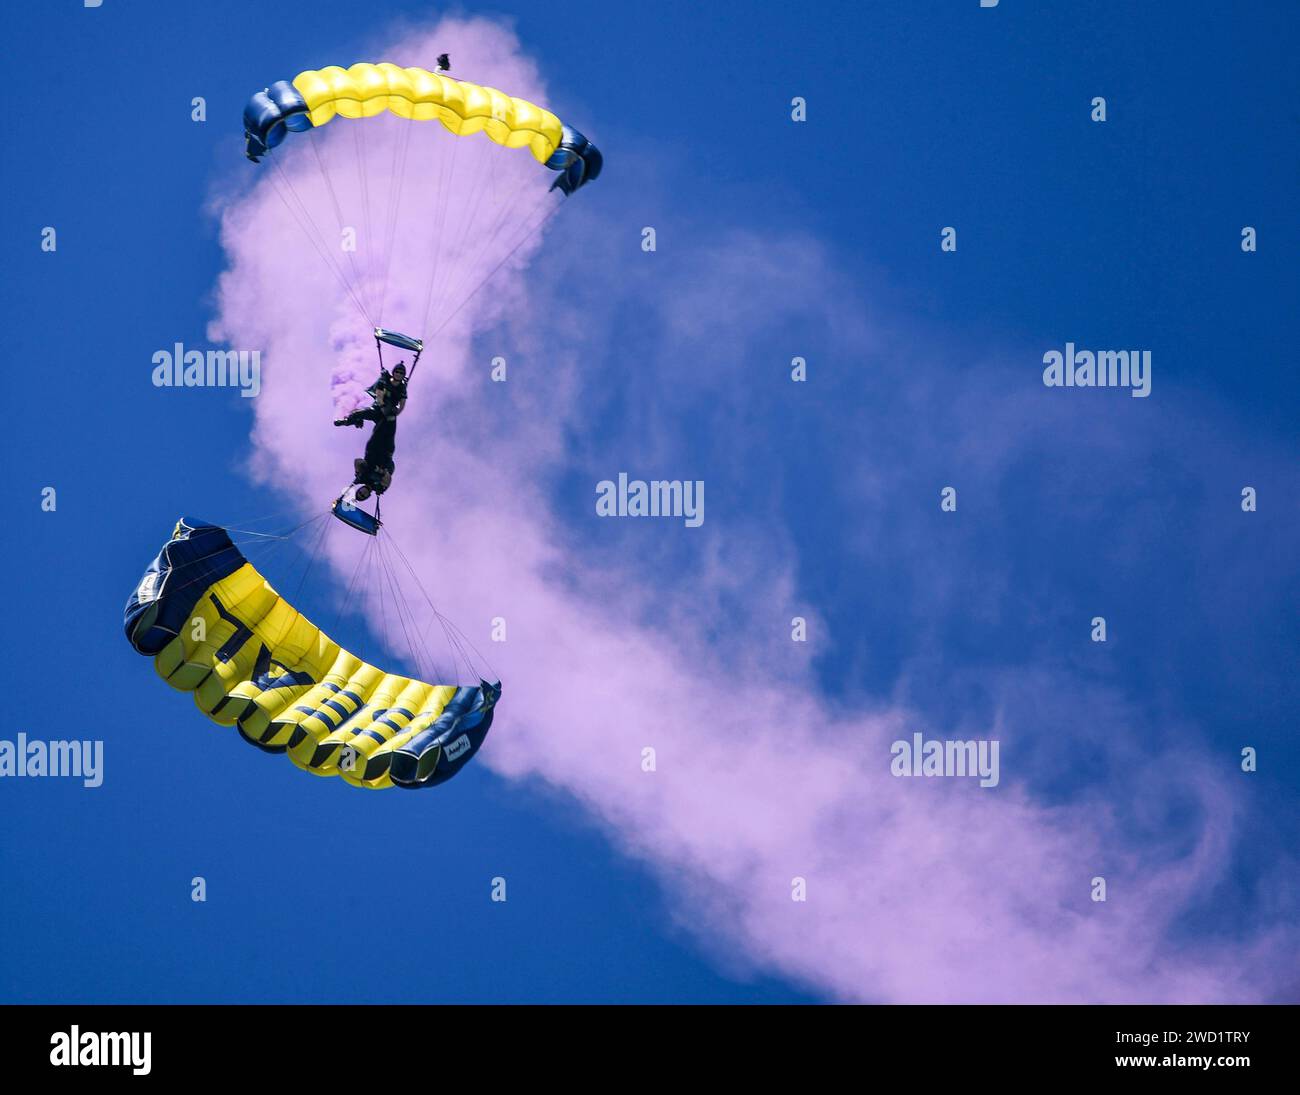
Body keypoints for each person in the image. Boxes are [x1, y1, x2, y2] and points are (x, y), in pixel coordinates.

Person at [334, 362, 409, 428]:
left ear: (403, 375)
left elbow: (402, 406)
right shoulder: (384, 381)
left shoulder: (402, 389)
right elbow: (379, 397)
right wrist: (383, 407)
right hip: (376, 409)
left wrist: (395, 414)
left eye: (401, 373)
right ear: (393, 372)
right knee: (355, 414)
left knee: (383, 434)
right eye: (397, 372)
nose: (398, 374)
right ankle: (348, 421)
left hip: (386, 416)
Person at [352, 415, 397, 501]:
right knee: (390, 425)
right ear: (368, 496)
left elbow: (357, 461)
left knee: (381, 424)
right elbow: (388, 479)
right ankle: (390, 414)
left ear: (359, 489)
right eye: (363, 496)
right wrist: (379, 471)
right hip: (386, 453)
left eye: (360, 492)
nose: (363, 493)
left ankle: (381, 413)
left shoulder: (362, 477)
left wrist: (358, 471)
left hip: (373, 448)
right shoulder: (379, 488)